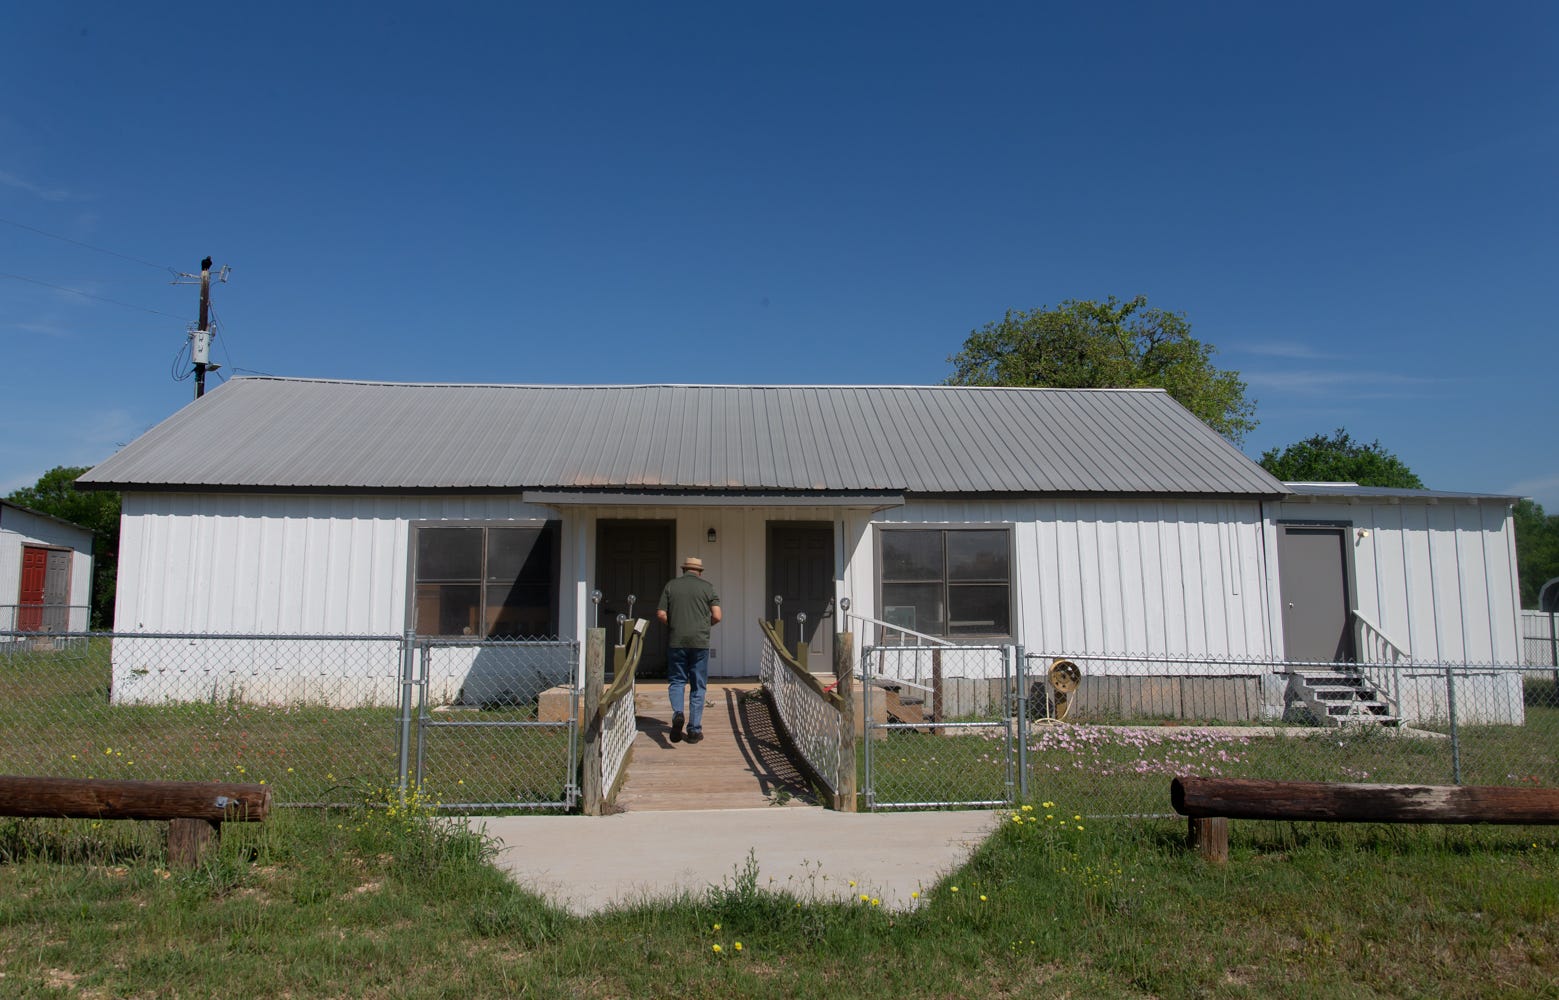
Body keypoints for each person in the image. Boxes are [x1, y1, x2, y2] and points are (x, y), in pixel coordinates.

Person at [656, 555, 721, 744]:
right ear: (699, 572)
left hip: (677, 641)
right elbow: (717, 615)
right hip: (699, 642)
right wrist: (703, 626)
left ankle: (678, 713)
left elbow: (661, 613)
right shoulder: (707, 587)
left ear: (684, 570)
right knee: (698, 685)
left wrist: (675, 624)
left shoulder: (671, 586)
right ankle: (694, 730)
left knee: (677, 681)